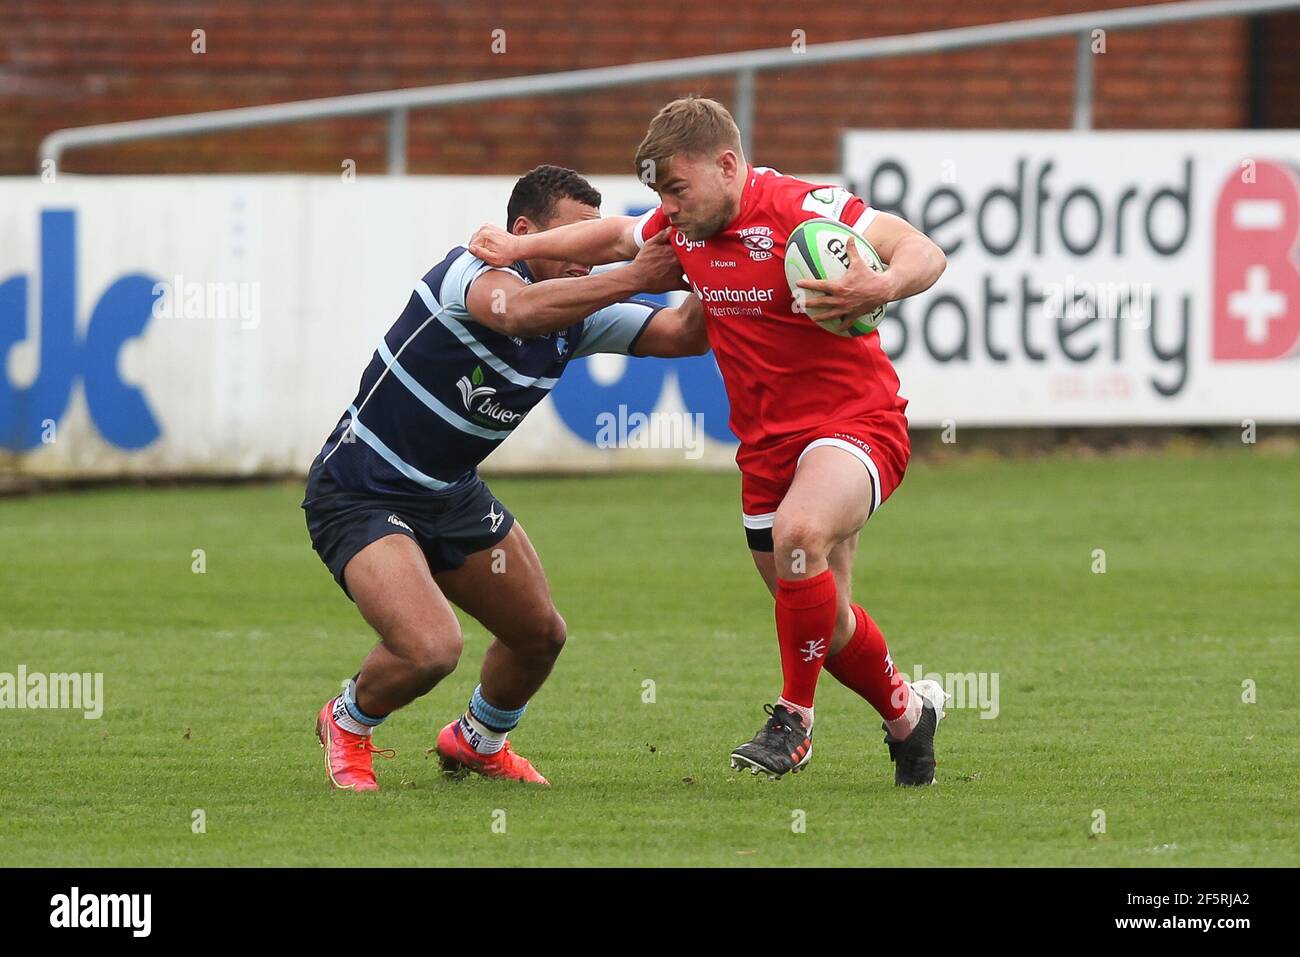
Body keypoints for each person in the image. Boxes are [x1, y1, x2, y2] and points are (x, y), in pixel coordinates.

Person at [468, 99, 952, 785]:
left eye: (676, 188)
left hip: (857, 423)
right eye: (659, 193)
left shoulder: (801, 206)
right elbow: (611, 238)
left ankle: (794, 721)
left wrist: (884, 281)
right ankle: (908, 717)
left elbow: (923, 250)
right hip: (766, 449)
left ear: (728, 165)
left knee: (799, 533)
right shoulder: (680, 225)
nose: (667, 207)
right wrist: (519, 248)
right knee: (826, 618)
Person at [305, 165, 705, 790]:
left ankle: (476, 741)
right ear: (525, 232)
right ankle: (348, 721)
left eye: (592, 243)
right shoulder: (470, 272)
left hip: (451, 494)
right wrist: (633, 275)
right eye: (574, 240)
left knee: (538, 635)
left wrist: (723, 263)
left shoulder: (578, 310)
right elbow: (518, 313)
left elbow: (684, 335)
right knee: (431, 647)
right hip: (362, 490)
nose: (584, 257)